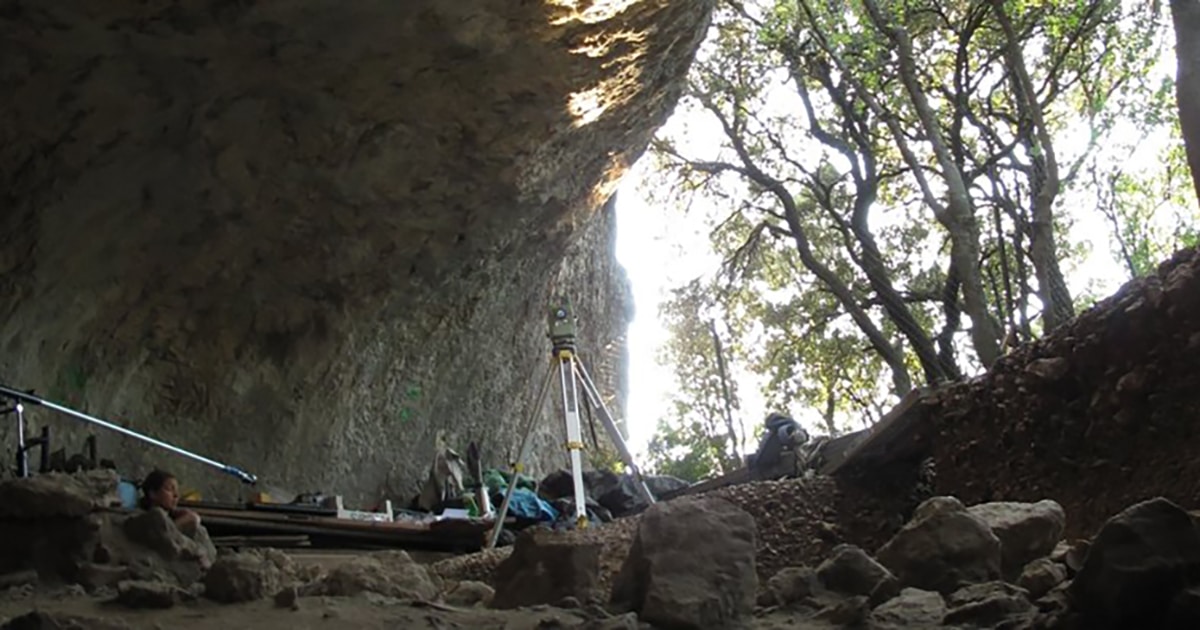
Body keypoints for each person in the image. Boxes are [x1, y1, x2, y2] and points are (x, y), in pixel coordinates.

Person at [139, 469, 202, 535]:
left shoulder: (174, 517)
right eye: (169, 489)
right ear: (153, 493)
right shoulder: (144, 519)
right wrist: (185, 521)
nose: (176, 495)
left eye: (177, 490)